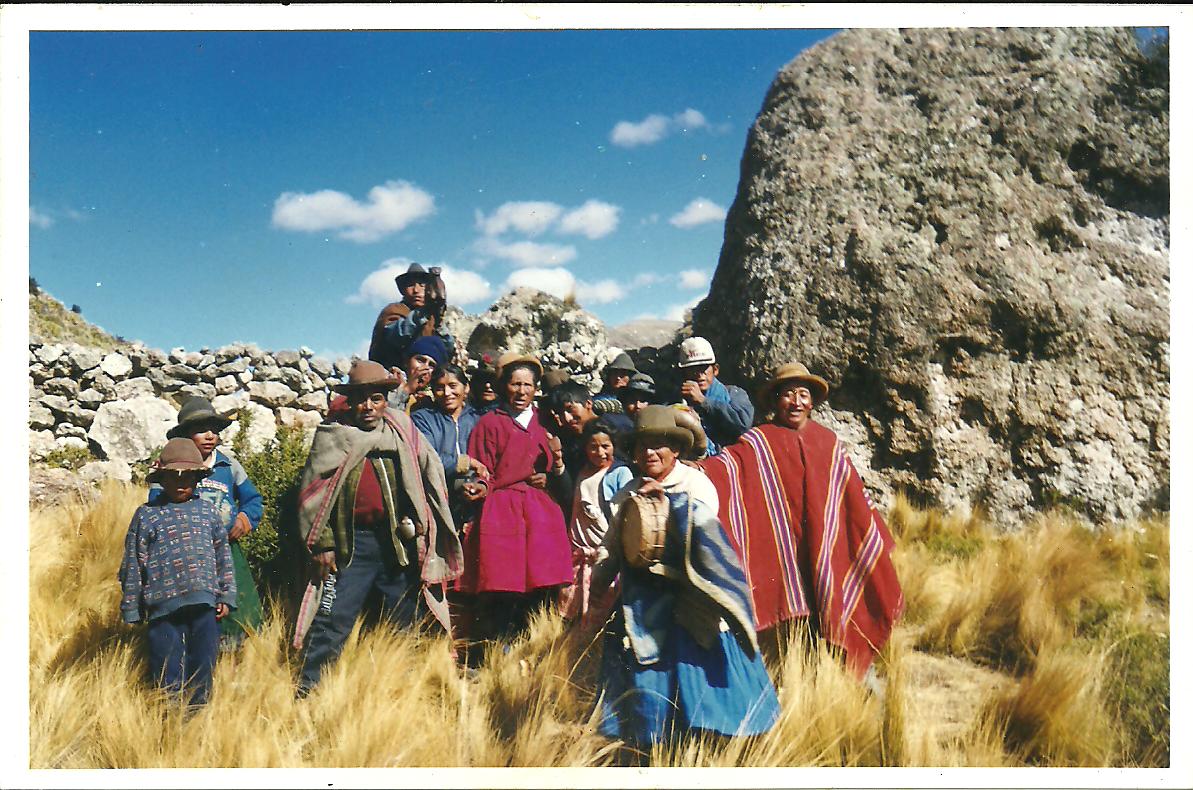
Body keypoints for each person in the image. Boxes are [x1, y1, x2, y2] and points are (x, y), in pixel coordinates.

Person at [698, 362, 904, 679]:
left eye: (803, 394)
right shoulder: (758, 441)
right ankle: (797, 679)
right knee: (797, 622)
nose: (796, 402)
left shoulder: (828, 442)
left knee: (832, 607)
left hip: (827, 550)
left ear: (812, 401)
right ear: (775, 400)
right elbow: (728, 467)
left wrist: (870, 529)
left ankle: (845, 679)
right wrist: (696, 471)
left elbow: (849, 494)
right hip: (788, 554)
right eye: (788, 394)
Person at [589, 406, 779, 745]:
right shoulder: (627, 491)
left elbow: (703, 539)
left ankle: (709, 744)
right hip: (641, 605)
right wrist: (598, 583)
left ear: (675, 449)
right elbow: (613, 546)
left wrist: (669, 505)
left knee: (698, 682)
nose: (649, 452)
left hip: (688, 602)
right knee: (647, 691)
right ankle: (652, 745)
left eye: (659, 444)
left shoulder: (695, 485)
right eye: (642, 445)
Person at [291, 360, 463, 695]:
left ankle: (404, 690)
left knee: (404, 620)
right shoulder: (334, 437)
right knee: (334, 620)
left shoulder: (401, 431)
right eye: (360, 399)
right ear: (350, 402)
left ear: (386, 400)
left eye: (376, 399)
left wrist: (421, 525)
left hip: (396, 544)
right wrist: (323, 543)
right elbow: (313, 495)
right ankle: (309, 691)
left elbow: (426, 474)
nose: (368, 407)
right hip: (350, 546)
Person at [458, 354, 574, 644]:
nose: (521, 391)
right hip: (501, 510)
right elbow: (480, 466)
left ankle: (534, 658)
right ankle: (494, 659)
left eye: (527, 385)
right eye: (514, 384)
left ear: (536, 389)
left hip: (540, 513)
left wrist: (550, 476)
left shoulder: (547, 421)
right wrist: (481, 486)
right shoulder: (489, 423)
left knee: (541, 589)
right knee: (501, 588)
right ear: (503, 387)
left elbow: (560, 465)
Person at [119, 438, 236, 707]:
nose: (181, 483)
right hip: (162, 606)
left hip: (204, 602)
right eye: (173, 477)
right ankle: (168, 721)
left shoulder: (207, 511)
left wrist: (226, 595)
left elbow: (222, 556)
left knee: (203, 663)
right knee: (166, 667)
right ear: (162, 478)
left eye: (188, 477)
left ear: (198, 478)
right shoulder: (147, 515)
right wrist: (132, 609)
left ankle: (196, 718)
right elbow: (134, 564)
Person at [150, 396, 264, 651]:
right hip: (186, 554)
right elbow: (156, 505)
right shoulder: (169, 467)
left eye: (214, 429)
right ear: (185, 435)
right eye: (201, 430)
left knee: (235, 605)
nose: (210, 435)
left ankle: (234, 659)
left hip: (226, 549)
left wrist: (245, 519)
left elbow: (253, 500)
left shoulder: (228, 465)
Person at [557, 419, 633, 634]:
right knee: (570, 617)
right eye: (593, 446)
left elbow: (624, 515)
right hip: (578, 557)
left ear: (614, 446)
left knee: (602, 615)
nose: (599, 452)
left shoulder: (620, 474)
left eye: (605, 446)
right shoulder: (581, 472)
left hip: (603, 558)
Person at [674, 336, 754, 456]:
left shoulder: (734, 394)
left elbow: (743, 424)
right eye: (692, 369)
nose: (699, 374)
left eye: (704, 368)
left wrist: (703, 401)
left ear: (715, 370)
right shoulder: (676, 401)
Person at [368, 262, 453, 373]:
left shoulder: (431, 317)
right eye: (410, 285)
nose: (416, 290)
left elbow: (447, 348)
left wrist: (439, 321)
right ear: (403, 290)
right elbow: (396, 335)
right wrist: (423, 313)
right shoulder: (394, 310)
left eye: (422, 285)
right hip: (392, 376)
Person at [545, 381, 633, 481]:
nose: (567, 418)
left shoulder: (620, 426)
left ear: (588, 403)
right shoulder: (569, 442)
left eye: (570, 409)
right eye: (561, 413)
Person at [388, 335, 449, 414]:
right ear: (407, 361)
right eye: (420, 361)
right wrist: (407, 390)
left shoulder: (433, 397)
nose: (425, 368)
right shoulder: (390, 383)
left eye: (431, 365)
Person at [591, 351, 637, 415]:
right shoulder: (601, 397)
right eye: (615, 373)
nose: (618, 378)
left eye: (623, 374)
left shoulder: (635, 399)